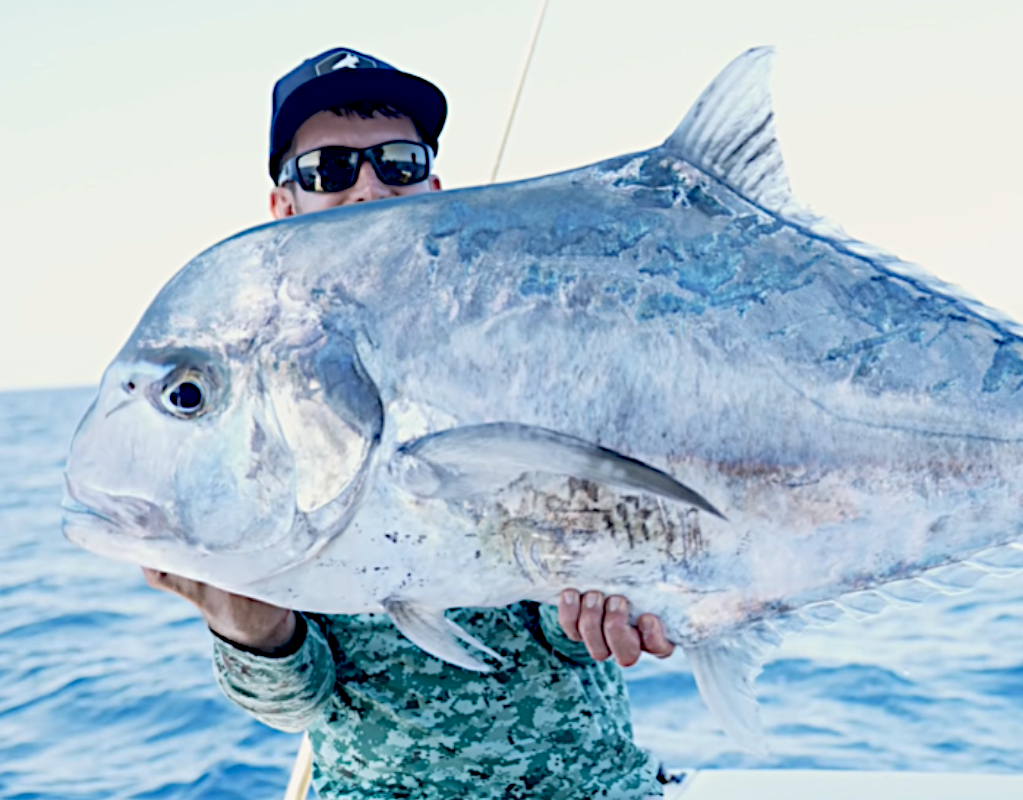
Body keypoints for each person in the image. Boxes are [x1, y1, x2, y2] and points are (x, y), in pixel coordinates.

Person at [143, 47, 676, 800]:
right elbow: (294, 703)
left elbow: (564, 609)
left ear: (432, 184)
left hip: (587, 784)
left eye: (397, 162)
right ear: (282, 207)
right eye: (327, 169)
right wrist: (249, 623)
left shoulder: (530, 337)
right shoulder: (254, 386)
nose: (367, 187)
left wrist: (601, 605)